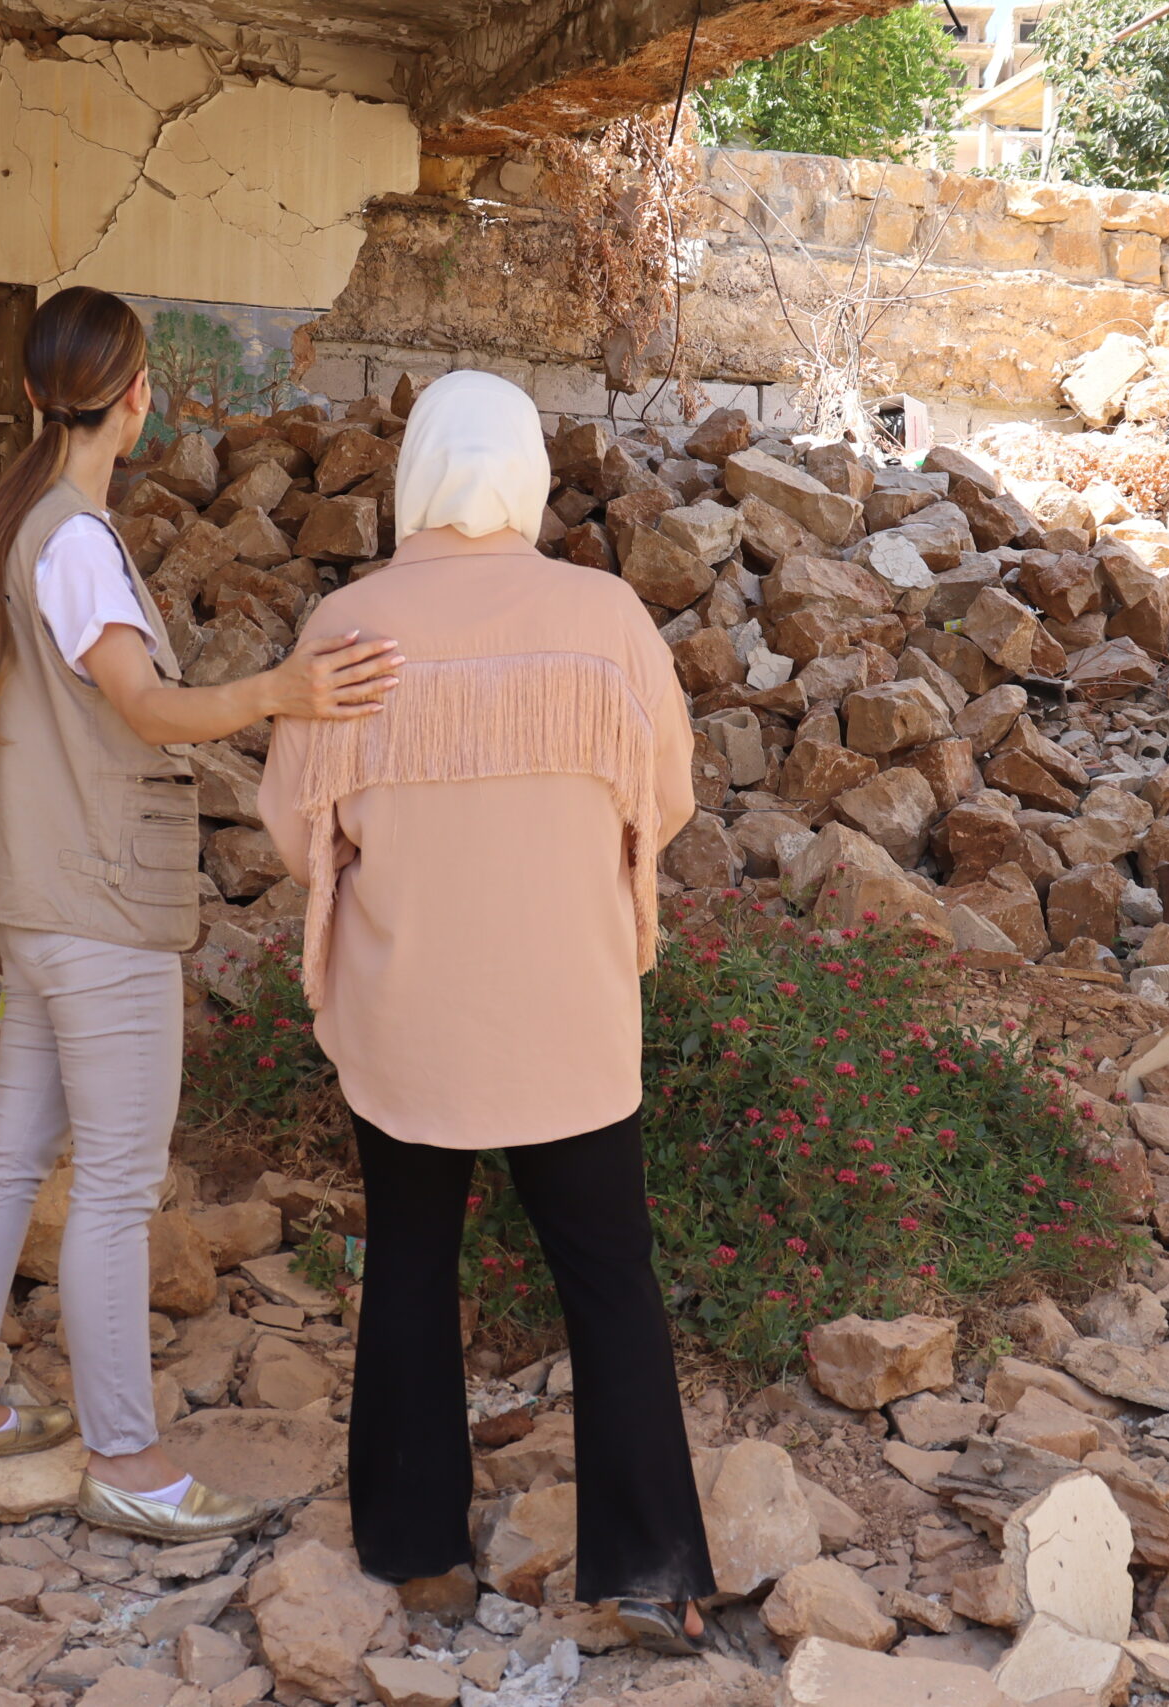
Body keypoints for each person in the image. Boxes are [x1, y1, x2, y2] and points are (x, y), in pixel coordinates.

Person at [0, 286, 402, 1543]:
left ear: (35, 394)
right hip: (96, 906)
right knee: (119, 1184)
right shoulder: (74, 539)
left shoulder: (18, 520)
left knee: (18, 1147)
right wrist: (284, 691)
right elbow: (145, 706)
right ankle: (126, 1459)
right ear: (138, 397)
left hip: (40, 897)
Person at [257, 369, 715, 1650]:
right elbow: (662, 798)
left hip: (411, 1013)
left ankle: (416, 1555)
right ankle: (649, 1564)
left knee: (409, 1264)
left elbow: (297, 832)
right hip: (566, 1009)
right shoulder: (606, 616)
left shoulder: (347, 623)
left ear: (416, 472)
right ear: (522, 473)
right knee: (610, 1278)